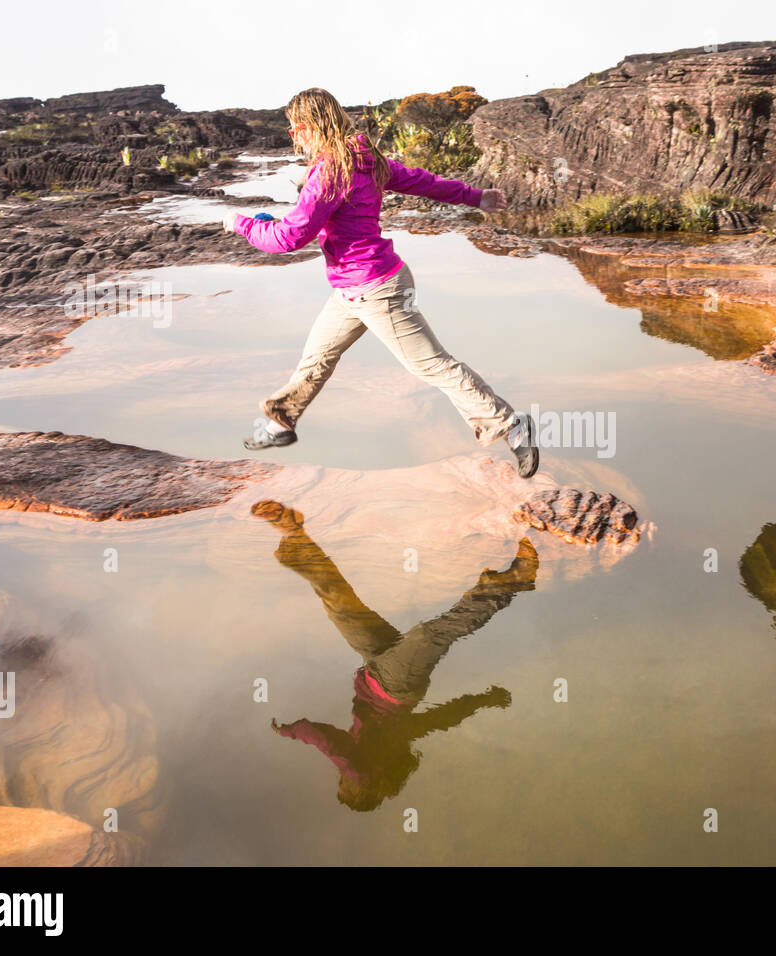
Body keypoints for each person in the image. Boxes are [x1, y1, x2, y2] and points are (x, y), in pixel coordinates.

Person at [223, 87, 538, 478]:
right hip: (354, 288)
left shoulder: (330, 172)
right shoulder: (362, 159)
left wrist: (241, 224)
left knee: (433, 365)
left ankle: (512, 427)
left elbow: (288, 239)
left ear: (309, 126)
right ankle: (280, 425)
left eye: (294, 128)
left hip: (376, 289)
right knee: (318, 357)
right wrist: (476, 197)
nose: (292, 136)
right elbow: (420, 181)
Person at [252, 499, 538, 811]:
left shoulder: (386, 744)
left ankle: (297, 538)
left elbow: (444, 717)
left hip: (374, 665)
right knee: (432, 634)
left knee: (341, 606)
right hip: (394, 683)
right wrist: (292, 731)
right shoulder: (362, 766)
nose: (341, 777)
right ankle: (513, 582)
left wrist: (485, 700)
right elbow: (328, 744)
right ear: (362, 788)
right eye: (344, 784)